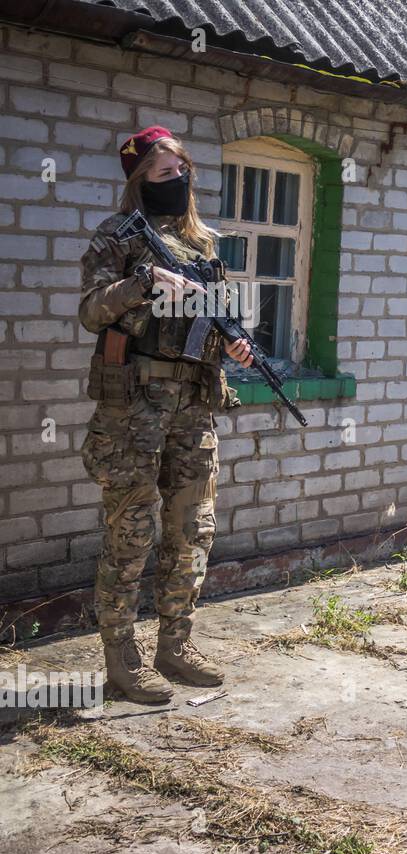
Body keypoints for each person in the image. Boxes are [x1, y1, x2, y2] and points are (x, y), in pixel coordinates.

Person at [79, 125, 253, 704]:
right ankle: (121, 660)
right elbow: (90, 311)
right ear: (139, 180)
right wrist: (143, 283)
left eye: (182, 171)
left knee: (191, 531)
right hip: (134, 409)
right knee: (130, 533)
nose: (176, 180)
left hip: (192, 408)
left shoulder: (201, 245)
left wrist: (232, 343)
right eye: (163, 173)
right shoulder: (118, 237)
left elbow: (210, 321)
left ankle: (175, 646)